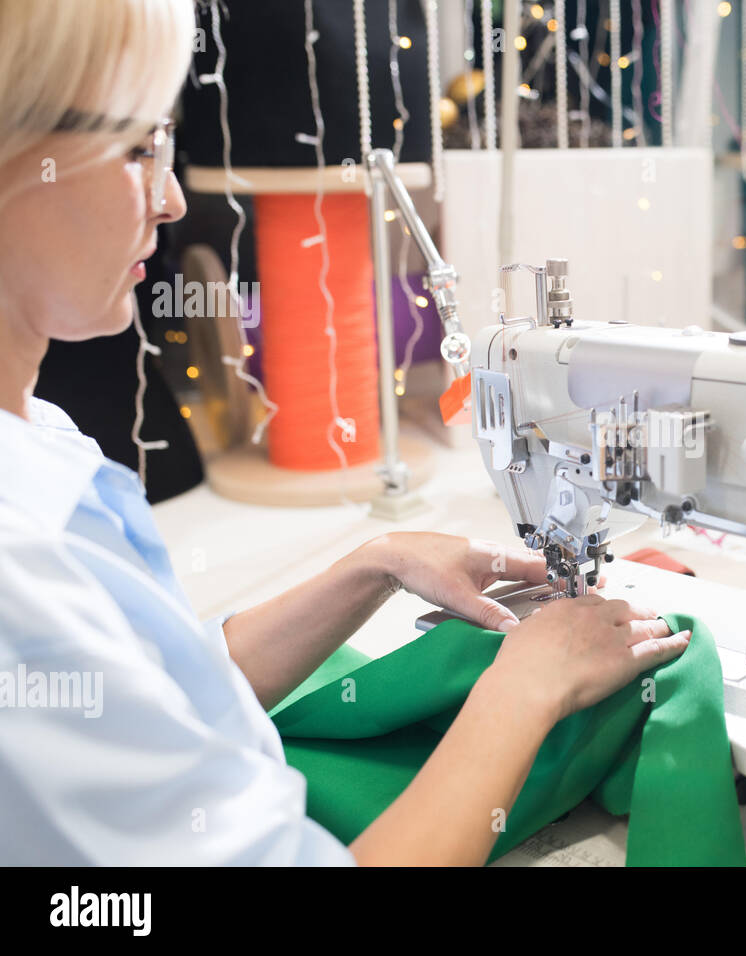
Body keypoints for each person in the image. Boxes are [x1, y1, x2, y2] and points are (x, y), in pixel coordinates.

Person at [0, 0, 690, 866]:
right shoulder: (18, 570)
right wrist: (525, 689)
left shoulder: (43, 437)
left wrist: (372, 565)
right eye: (139, 149)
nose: (173, 197)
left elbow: (163, 688)